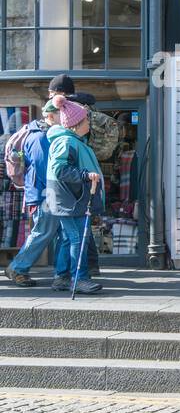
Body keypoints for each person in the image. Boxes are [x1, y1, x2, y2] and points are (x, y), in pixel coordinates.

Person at [3, 76, 73, 288]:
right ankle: (18, 267)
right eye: (63, 113)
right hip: (46, 194)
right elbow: (45, 170)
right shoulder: (42, 137)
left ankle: (62, 274)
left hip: (46, 193)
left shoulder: (42, 133)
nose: (66, 116)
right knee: (43, 232)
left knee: (60, 233)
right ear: (53, 114)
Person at [44, 96, 104, 295]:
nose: (89, 123)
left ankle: (62, 277)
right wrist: (86, 175)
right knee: (79, 238)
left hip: (68, 199)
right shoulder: (66, 142)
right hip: (70, 200)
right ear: (77, 123)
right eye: (87, 120)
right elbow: (60, 170)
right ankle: (80, 279)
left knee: (70, 239)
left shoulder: (72, 141)